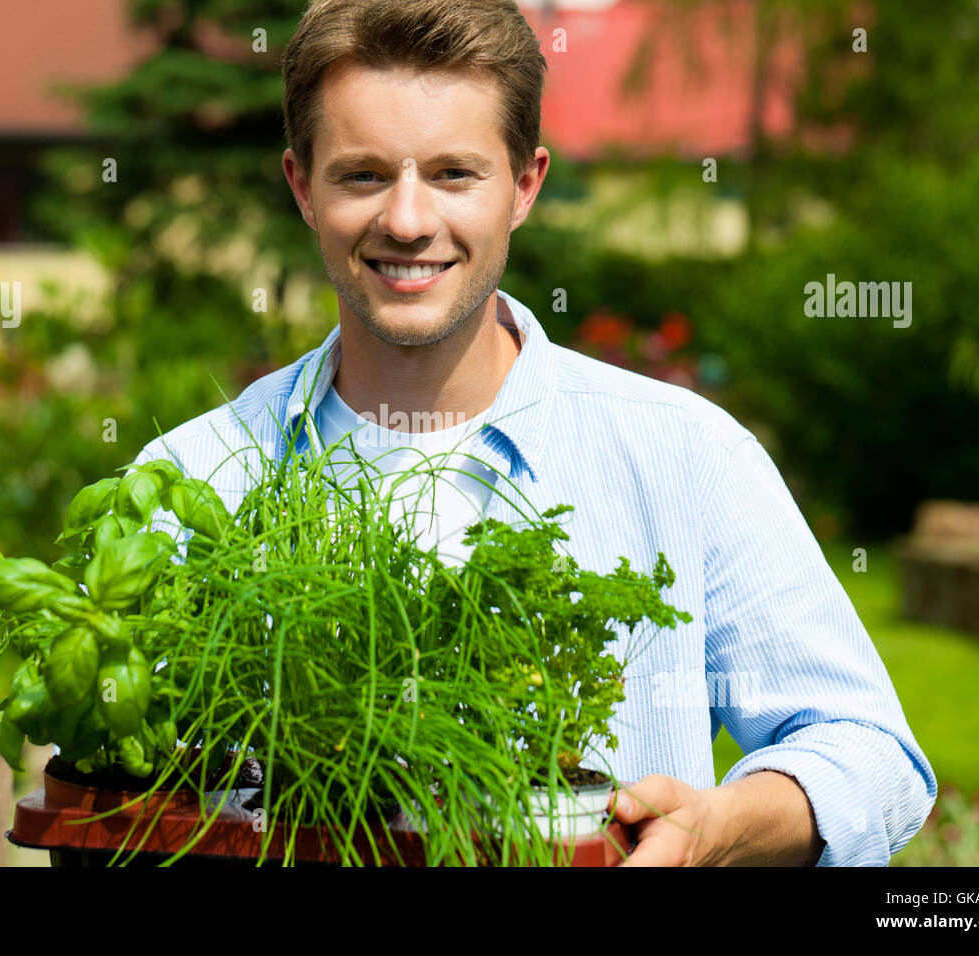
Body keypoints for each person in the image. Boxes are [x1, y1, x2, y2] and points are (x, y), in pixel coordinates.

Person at [135, 0, 936, 866]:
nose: (407, 221)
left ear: (524, 186)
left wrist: (720, 828)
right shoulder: (193, 479)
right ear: (302, 185)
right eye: (363, 175)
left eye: (453, 174)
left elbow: (869, 752)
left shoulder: (686, 457)